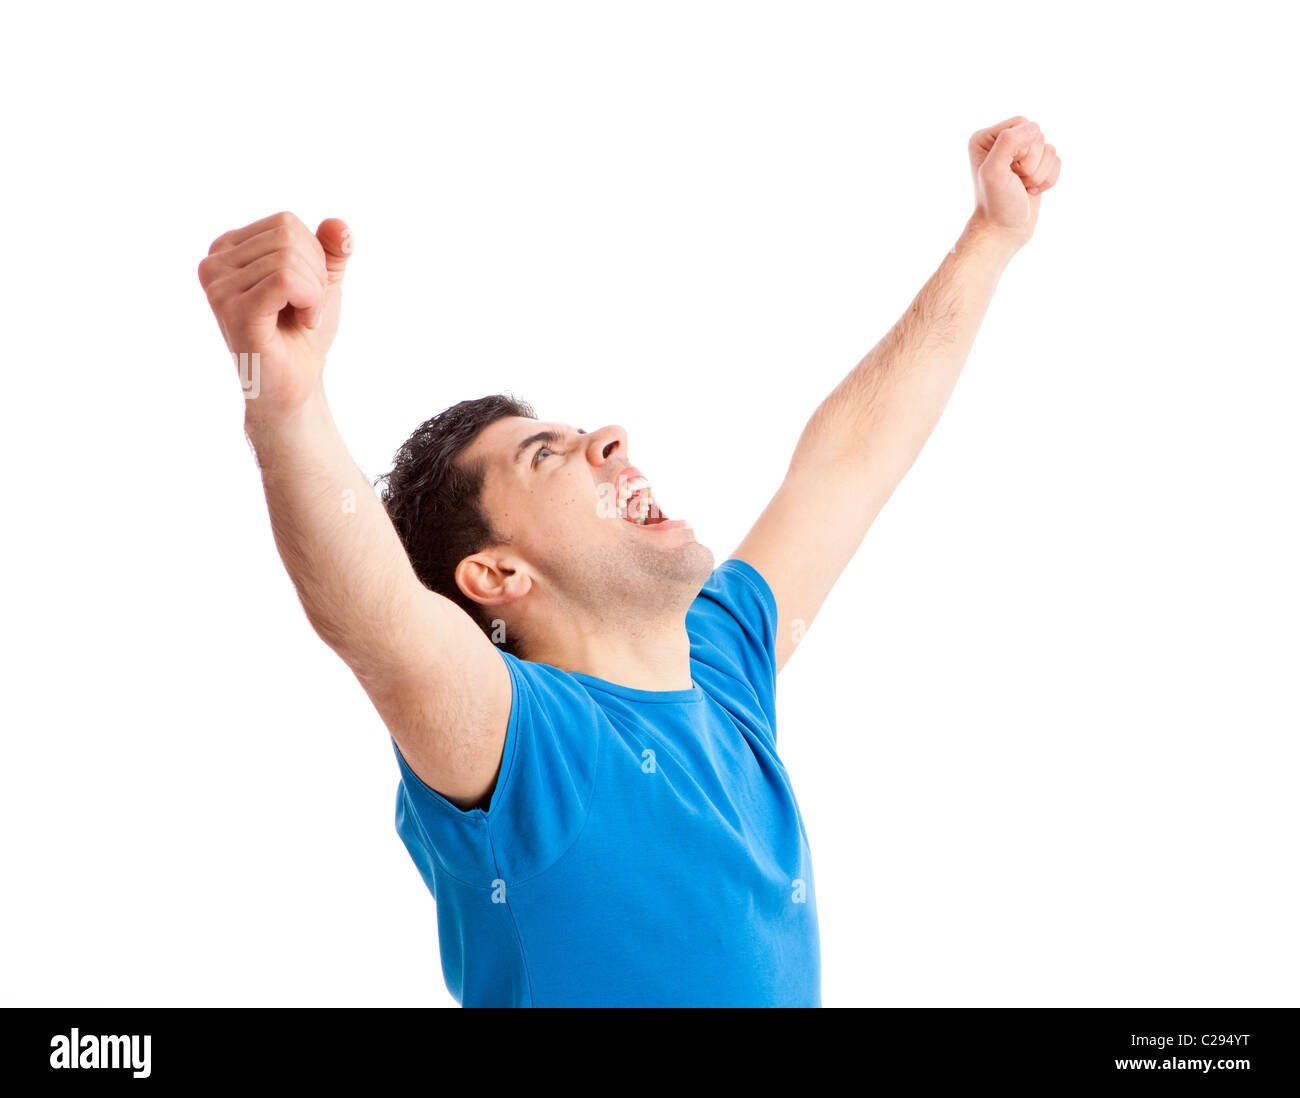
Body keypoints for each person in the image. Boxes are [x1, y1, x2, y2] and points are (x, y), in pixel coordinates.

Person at [197, 116, 1060, 1007]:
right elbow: (377, 621)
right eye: (545, 455)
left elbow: (848, 462)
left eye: (579, 434)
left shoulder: (722, 667)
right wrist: (284, 403)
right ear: (496, 577)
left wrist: (990, 238)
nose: (607, 438)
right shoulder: (525, 748)